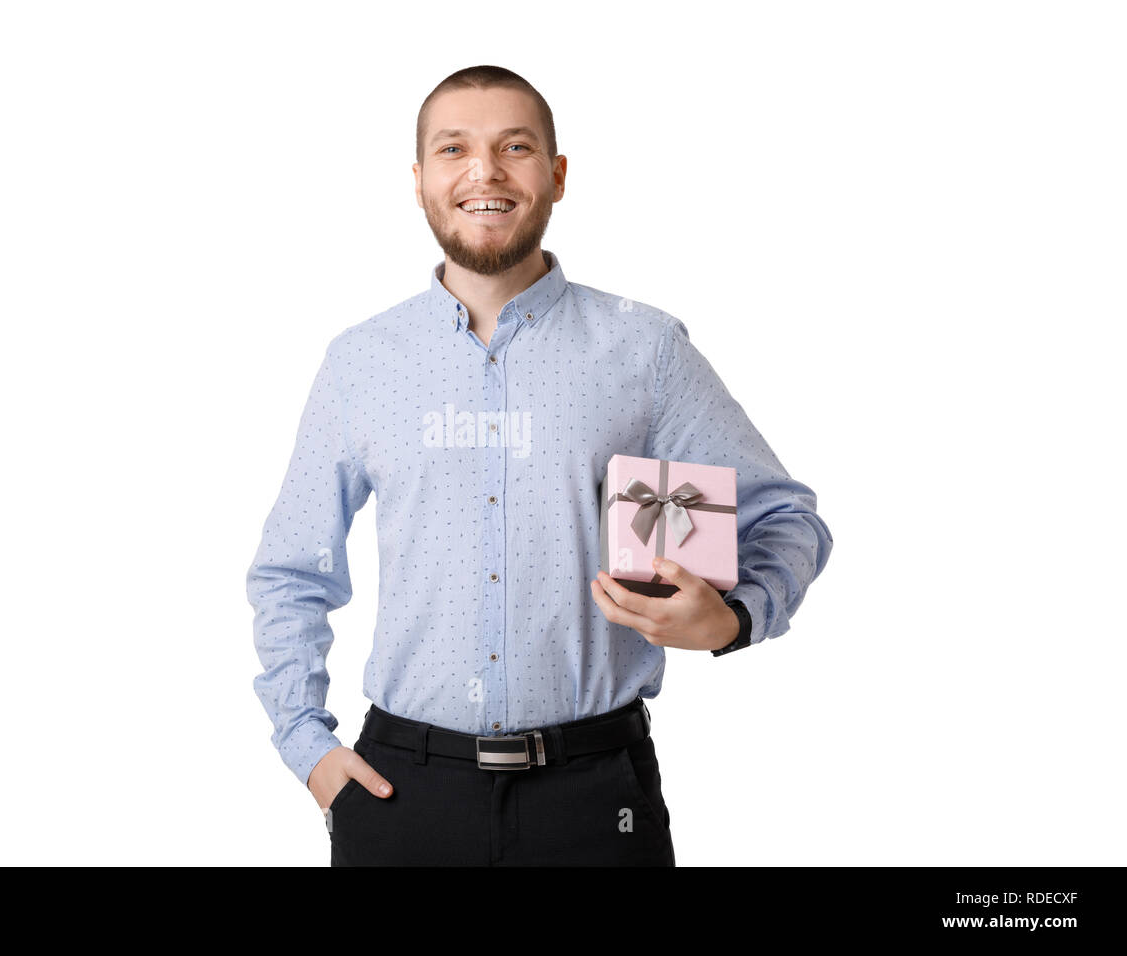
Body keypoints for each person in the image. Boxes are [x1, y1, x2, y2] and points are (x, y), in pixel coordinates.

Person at [245, 65, 834, 866]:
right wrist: (307, 748)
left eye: (514, 147)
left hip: (595, 799)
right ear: (419, 181)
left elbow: (785, 518)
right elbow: (290, 572)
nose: (483, 172)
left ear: (556, 175)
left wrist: (732, 621)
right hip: (402, 796)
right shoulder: (361, 364)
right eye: (454, 149)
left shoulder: (646, 351)